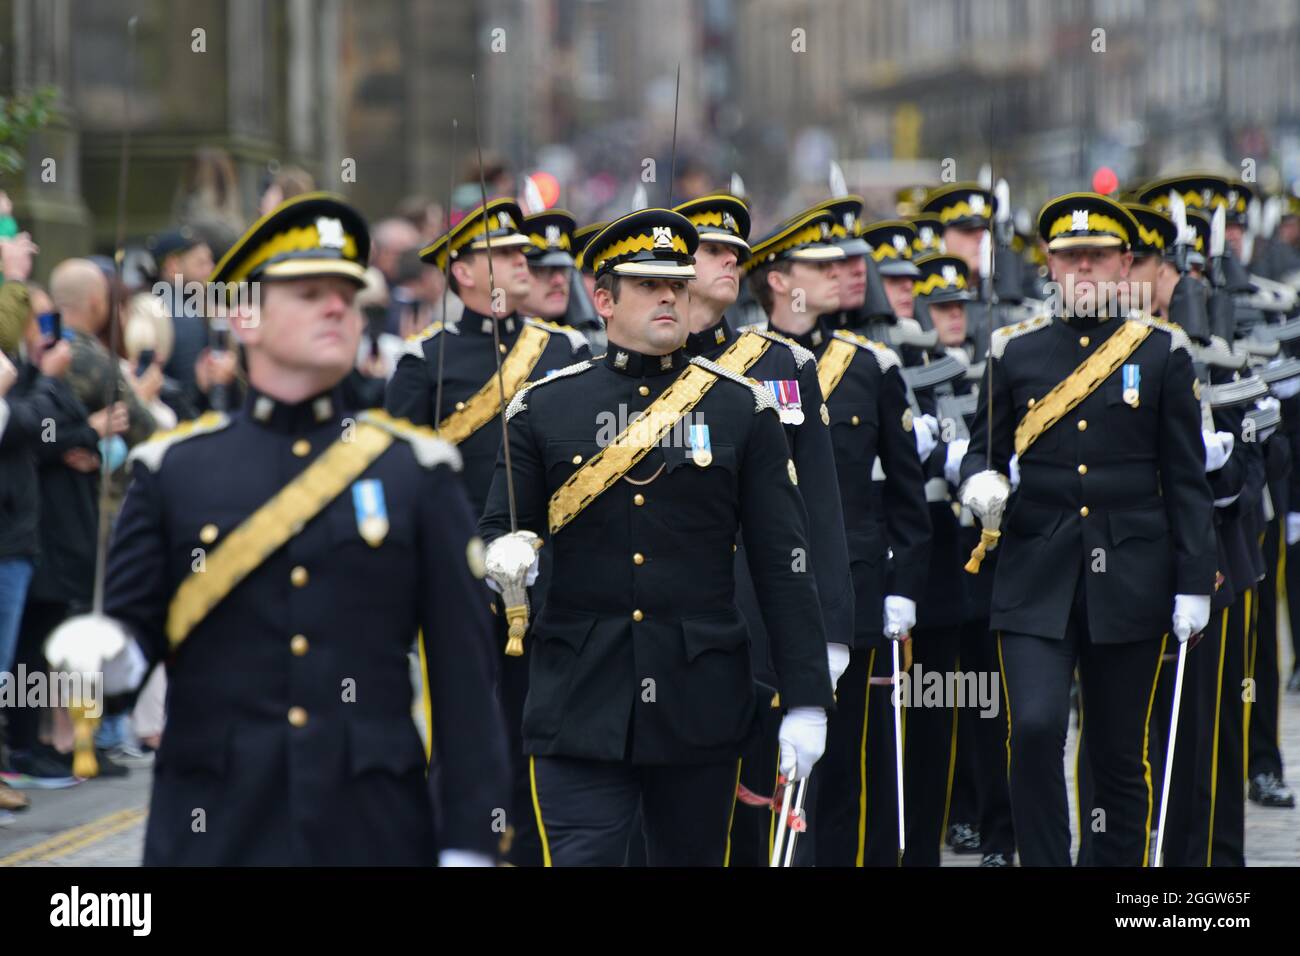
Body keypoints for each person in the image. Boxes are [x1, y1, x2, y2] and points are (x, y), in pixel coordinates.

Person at [45, 192, 512, 865]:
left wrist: (469, 847)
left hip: (370, 826)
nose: (335, 308)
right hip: (215, 826)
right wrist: (100, 655)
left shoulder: (417, 473)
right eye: (309, 292)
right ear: (245, 315)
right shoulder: (173, 470)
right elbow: (132, 646)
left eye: (347, 297)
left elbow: (465, 685)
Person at [479, 208, 834, 866]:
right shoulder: (542, 407)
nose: (669, 296)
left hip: (699, 697)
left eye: (675, 282)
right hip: (579, 698)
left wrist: (807, 697)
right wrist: (504, 553)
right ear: (603, 297)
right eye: (647, 285)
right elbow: (502, 529)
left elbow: (783, 563)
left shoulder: (740, 407)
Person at [958, 191, 1216, 866]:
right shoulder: (1015, 352)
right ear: (1048, 264)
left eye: (1097, 257)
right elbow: (982, 449)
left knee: (1117, 751)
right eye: (1069, 257)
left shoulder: (1161, 354)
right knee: (1036, 729)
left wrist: (1193, 581)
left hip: (1129, 573)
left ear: (1124, 263)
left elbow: (1186, 479)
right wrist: (979, 481)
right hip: (1035, 572)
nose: (1083, 269)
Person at [747, 205, 933, 865]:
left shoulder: (869, 365)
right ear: (776, 278)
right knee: (762, 766)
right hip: (757, 595)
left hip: (847, 592)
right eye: (822, 265)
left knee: (843, 767)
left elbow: (908, 497)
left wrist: (903, 586)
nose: (844, 274)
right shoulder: (742, 363)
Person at [674, 193, 853, 865]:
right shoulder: (636, 374)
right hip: (672, 633)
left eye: (734, 252)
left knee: (767, 824)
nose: (730, 261)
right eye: (711, 250)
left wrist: (830, 632)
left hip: (764, 623)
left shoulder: (783, 366)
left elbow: (822, 513)